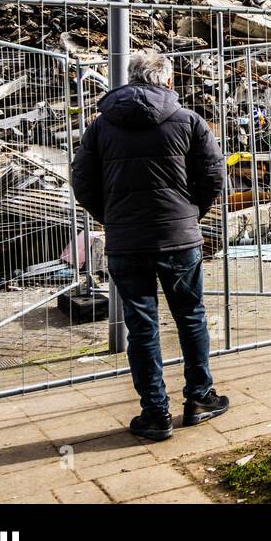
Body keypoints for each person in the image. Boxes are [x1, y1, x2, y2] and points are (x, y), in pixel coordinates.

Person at [70, 50, 229, 441]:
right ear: (169, 81)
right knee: (190, 316)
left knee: (141, 328)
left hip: (126, 242)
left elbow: (82, 181)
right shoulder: (188, 121)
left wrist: (111, 217)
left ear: (131, 79)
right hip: (179, 238)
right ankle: (199, 398)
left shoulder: (102, 127)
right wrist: (191, 213)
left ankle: (155, 414)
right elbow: (213, 175)